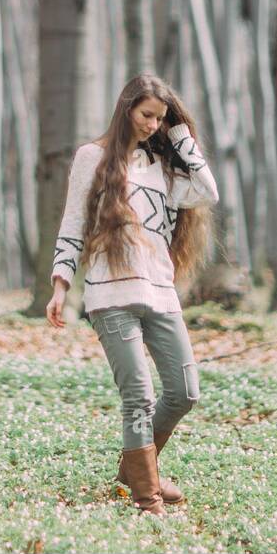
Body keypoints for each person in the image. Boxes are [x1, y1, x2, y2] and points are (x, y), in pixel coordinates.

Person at [46, 74, 219, 516]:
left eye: (160, 119)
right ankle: (146, 498)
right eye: (147, 115)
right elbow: (72, 225)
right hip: (109, 295)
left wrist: (179, 133)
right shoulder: (92, 158)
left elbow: (206, 192)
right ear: (126, 110)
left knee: (185, 391)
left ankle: (133, 469)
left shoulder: (161, 166)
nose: (152, 125)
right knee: (138, 395)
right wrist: (61, 285)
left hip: (160, 292)